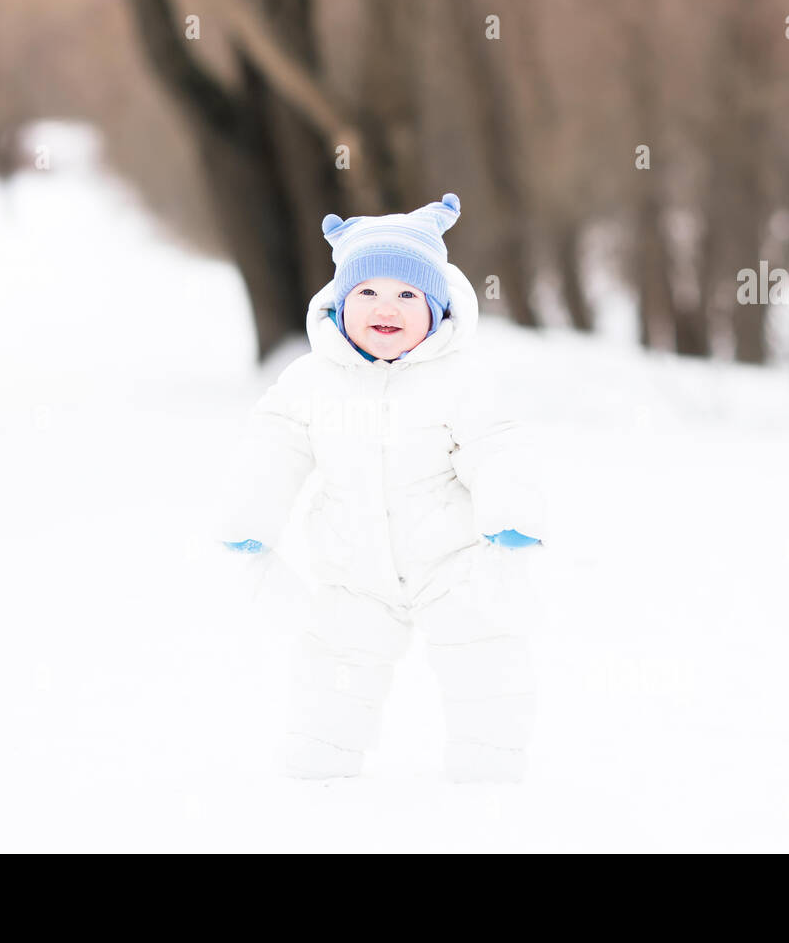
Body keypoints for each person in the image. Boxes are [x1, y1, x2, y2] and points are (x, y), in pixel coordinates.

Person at [217, 193, 548, 783]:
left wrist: (510, 514)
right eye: (367, 292)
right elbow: (274, 445)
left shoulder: (461, 379)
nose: (384, 307)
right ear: (341, 303)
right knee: (335, 671)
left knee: (486, 659)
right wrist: (251, 522)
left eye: (406, 294)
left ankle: (491, 777)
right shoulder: (312, 382)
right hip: (352, 569)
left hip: (453, 564)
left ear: (437, 306)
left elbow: (498, 444)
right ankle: (318, 776)